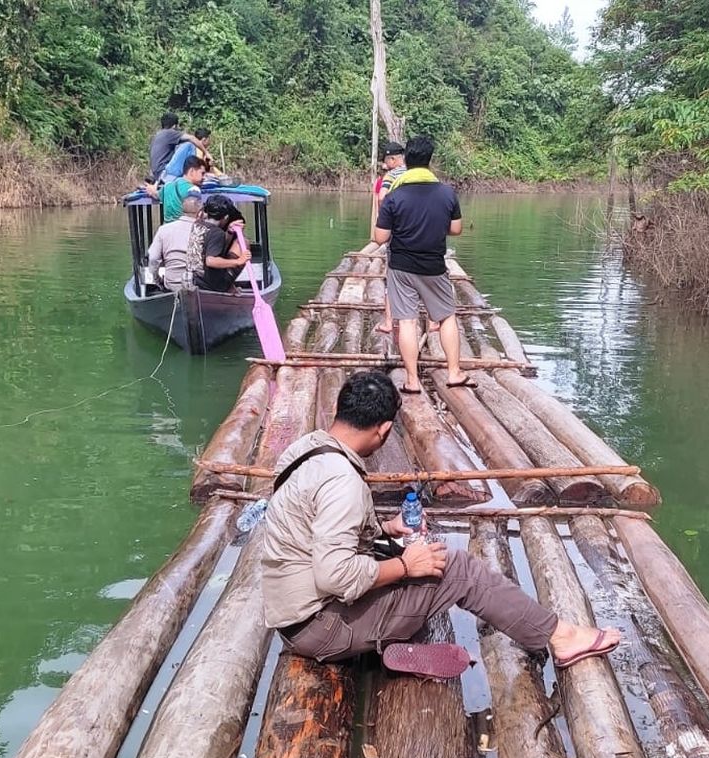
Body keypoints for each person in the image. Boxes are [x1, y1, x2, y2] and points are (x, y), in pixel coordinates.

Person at [261, 371, 621, 667]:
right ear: (384, 430)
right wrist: (406, 566)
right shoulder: (343, 481)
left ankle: (392, 635)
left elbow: (312, 527)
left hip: (295, 616)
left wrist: (386, 529)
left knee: (412, 556)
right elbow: (335, 576)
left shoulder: (308, 448)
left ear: (340, 410)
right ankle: (561, 636)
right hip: (320, 628)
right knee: (459, 570)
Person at [372, 136, 472, 393]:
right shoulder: (447, 193)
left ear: (406, 160)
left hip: (401, 267)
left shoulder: (394, 196)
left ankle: (412, 380)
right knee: (446, 317)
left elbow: (379, 237)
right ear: (430, 160)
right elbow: (456, 229)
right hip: (433, 266)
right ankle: (453, 372)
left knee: (407, 321)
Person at [371, 141, 407, 334]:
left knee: (392, 277)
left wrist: (384, 220)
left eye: (387, 160)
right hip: (419, 232)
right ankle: (433, 322)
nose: (386, 164)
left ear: (393, 159)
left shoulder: (391, 175)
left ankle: (388, 322)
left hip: (397, 232)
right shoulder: (414, 173)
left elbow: (381, 197)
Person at [188, 195, 251, 293]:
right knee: (243, 242)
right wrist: (238, 261)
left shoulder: (197, 224)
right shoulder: (217, 233)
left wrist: (229, 232)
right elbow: (210, 261)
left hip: (194, 279)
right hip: (212, 284)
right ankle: (228, 287)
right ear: (226, 217)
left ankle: (229, 286)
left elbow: (215, 246)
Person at [147, 195, 202, 290]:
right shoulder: (204, 231)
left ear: (182, 211)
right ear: (200, 213)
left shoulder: (164, 229)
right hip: (197, 286)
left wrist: (156, 279)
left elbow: (153, 258)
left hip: (172, 284)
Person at [148, 113, 207, 182]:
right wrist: (206, 153)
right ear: (174, 126)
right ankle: (193, 174)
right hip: (165, 173)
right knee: (190, 145)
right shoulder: (169, 133)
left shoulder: (158, 135)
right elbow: (192, 138)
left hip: (156, 173)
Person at [146, 156, 205, 222]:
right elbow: (198, 215)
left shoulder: (167, 186)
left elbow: (156, 194)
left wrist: (150, 188)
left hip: (167, 227)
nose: (204, 177)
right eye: (202, 173)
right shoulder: (193, 189)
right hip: (184, 226)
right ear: (192, 171)